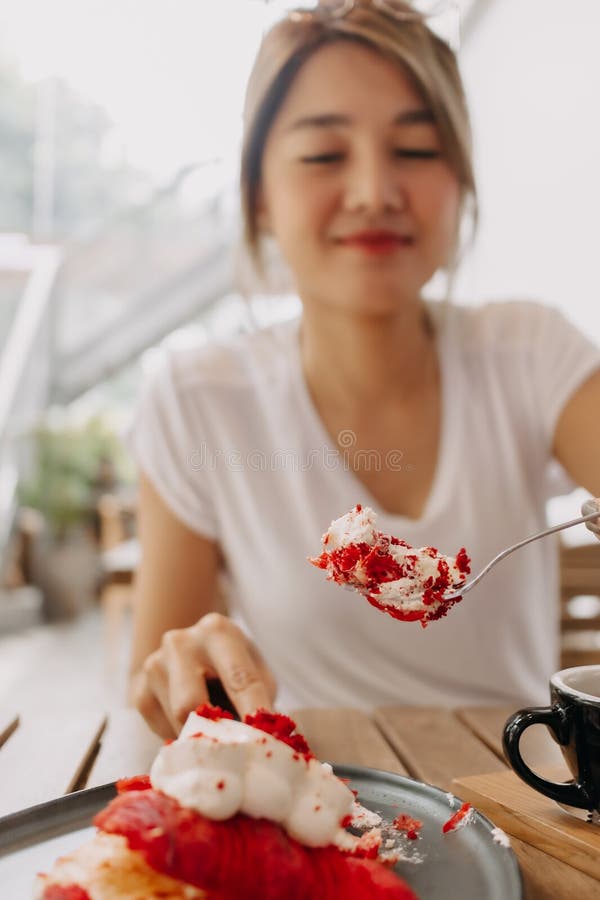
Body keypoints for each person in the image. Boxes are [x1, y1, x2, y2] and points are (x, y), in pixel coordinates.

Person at [127, 0, 600, 740]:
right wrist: (186, 670)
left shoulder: (529, 350)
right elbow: (164, 700)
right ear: (258, 196)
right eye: (323, 155)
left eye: (415, 150)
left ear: (462, 181)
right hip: (314, 790)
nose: (376, 191)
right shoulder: (198, 401)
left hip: (522, 791)